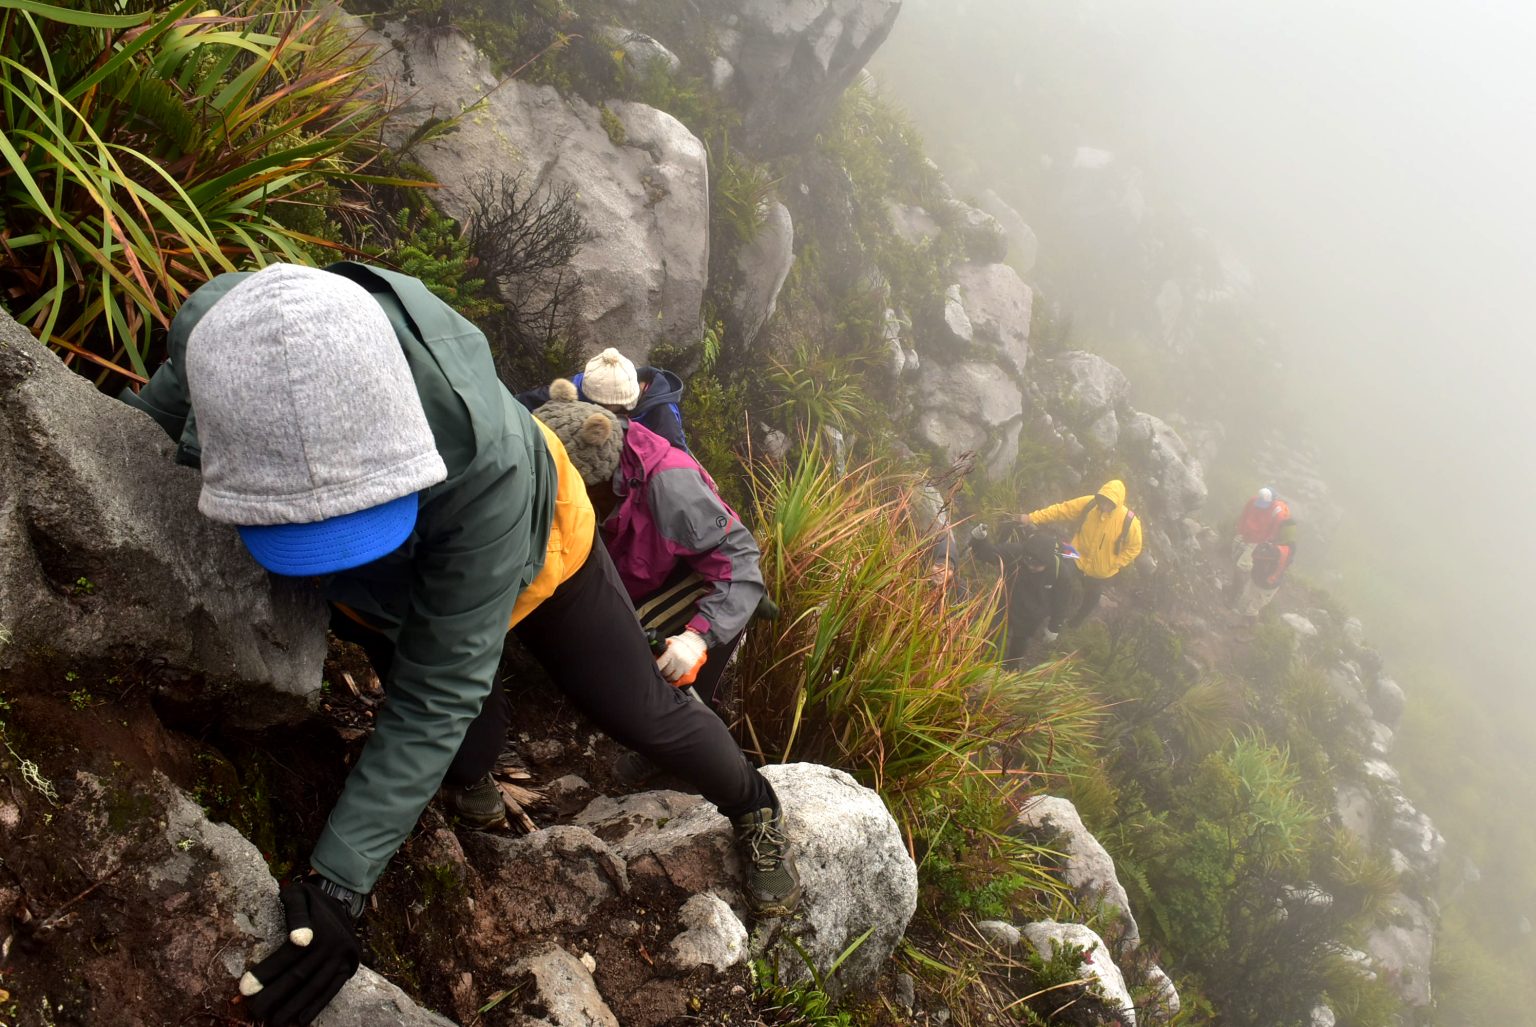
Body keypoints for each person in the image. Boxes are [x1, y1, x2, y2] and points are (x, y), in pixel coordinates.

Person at [119, 263, 800, 1026]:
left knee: (638, 708)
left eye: (346, 523)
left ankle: (754, 802)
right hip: (393, 592)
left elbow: (437, 688)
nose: (330, 550)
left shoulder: (489, 464)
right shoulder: (220, 337)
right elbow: (163, 410)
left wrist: (339, 882)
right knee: (468, 749)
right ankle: (478, 781)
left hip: (547, 553)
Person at [532, 379, 764, 709]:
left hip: (687, 591)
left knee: (619, 652)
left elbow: (739, 561)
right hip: (632, 570)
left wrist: (695, 640)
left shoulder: (670, 486)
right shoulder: (576, 439)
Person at [1017, 479, 1142, 628]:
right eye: (1103, 501)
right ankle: (1047, 613)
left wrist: (1115, 563)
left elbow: (1135, 547)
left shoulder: (1129, 521)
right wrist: (1032, 518)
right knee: (1059, 581)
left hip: (1101, 570)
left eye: (1110, 503)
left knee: (1092, 597)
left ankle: (1076, 622)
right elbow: (1061, 510)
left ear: (1118, 503)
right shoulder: (1090, 504)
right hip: (1075, 553)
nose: (1104, 506)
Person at [516, 347, 690, 452]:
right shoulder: (595, 382)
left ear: (622, 403)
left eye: (602, 405)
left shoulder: (662, 413)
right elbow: (534, 399)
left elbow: (677, 457)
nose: (596, 407)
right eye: (593, 401)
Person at [968, 523, 1075, 666]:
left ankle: (1011, 668)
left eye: (1037, 565)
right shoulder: (1017, 552)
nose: (1031, 567)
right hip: (1004, 604)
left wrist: (1054, 627)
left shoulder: (1060, 573)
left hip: (1032, 614)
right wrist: (979, 539)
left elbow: (1062, 602)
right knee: (993, 636)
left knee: (1020, 642)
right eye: (1028, 562)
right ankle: (985, 665)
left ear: (1047, 562)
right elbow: (987, 554)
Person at [1228, 486, 1292, 605]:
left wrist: (1265, 546)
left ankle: (1235, 594)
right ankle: (1236, 587)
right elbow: (1244, 515)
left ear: (1273, 500)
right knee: (1236, 560)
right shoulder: (1254, 500)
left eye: (1265, 503)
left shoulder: (1278, 512)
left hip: (1258, 543)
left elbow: (1276, 532)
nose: (1261, 505)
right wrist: (1240, 531)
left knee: (1241, 567)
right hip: (1244, 536)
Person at [1235, 519, 1298, 618]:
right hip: (1263, 581)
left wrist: (1264, 543)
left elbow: (1256, 554)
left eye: (1280, 529)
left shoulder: (1280, 550)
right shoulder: (1289, 546)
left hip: (1265, 584)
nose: (1277, 530)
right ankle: (1239, 618)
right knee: (1247, 602)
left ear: (1283, 532)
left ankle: (1243, 624)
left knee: (1251, 607)